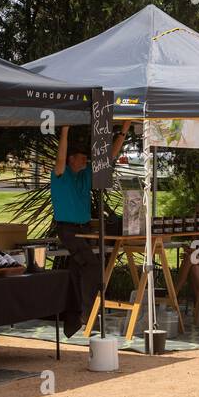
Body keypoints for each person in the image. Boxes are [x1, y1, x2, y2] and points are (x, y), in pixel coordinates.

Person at [53, 121, 131, 334]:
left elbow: (109, 158)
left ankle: (74, 319)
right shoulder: (61, 174)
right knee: (93, 266)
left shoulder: (86, 174)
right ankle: (86, 314)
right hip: (68, 229)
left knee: (79, 270)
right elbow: (60, 158)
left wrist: (124, 130)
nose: (85, 160)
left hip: (83, 227)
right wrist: (65, 130)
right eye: (81, 157)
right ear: (71, 159)